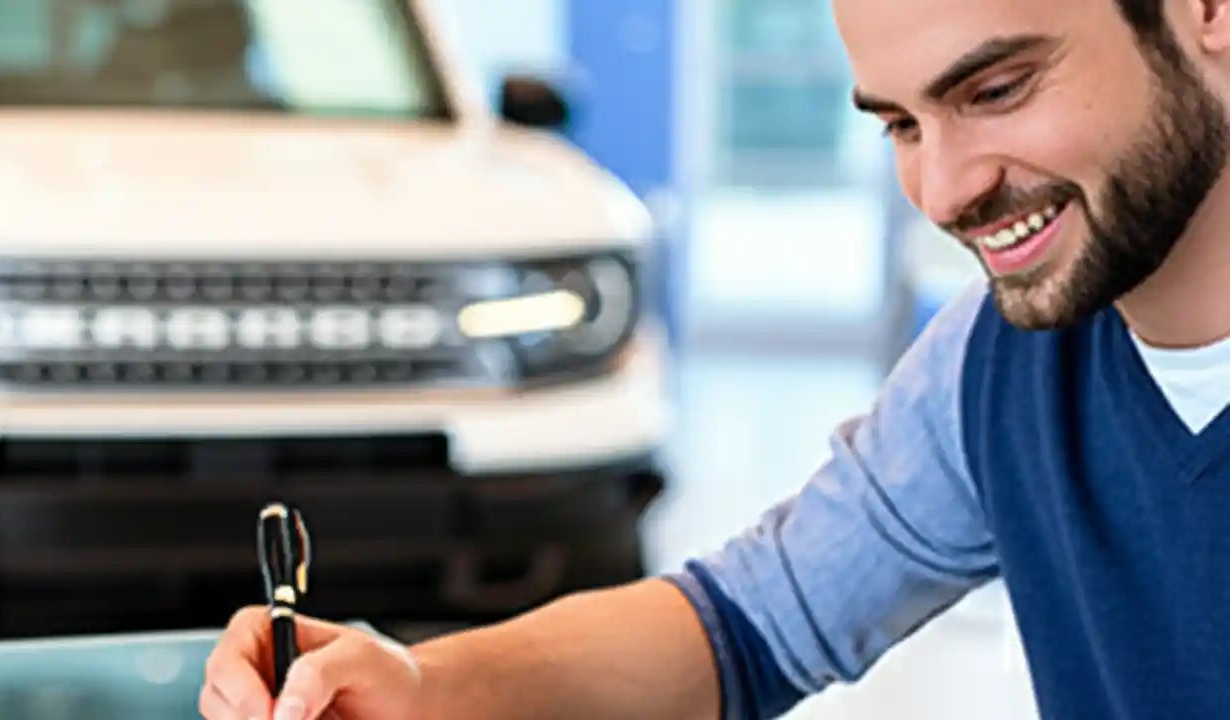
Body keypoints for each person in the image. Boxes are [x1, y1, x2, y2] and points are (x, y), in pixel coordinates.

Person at [200, 0, 1230, 717]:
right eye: (901, 126)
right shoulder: (997, 364)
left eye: (998, 89)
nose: (946, 190)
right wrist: (420, 689)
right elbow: (745, 623)